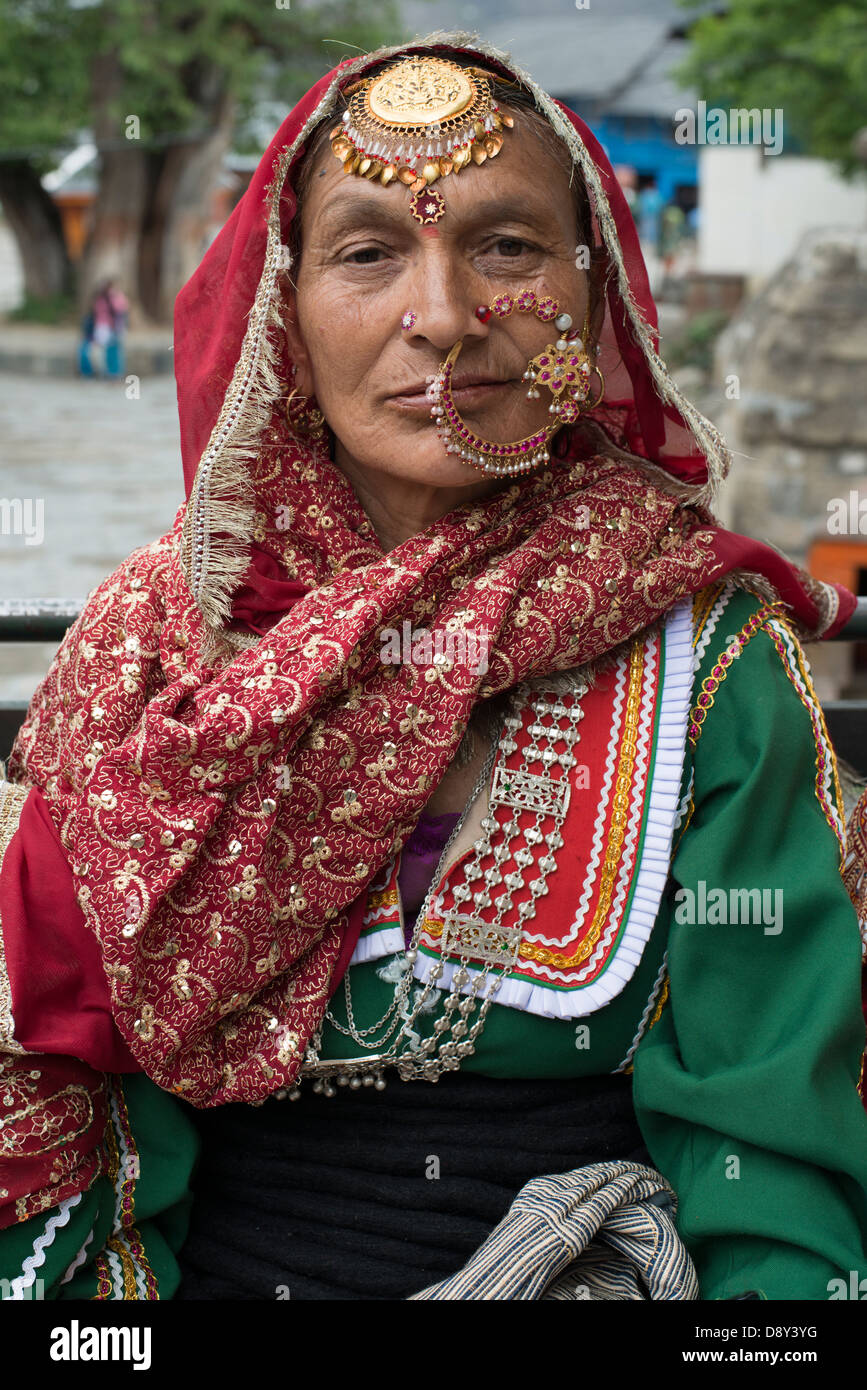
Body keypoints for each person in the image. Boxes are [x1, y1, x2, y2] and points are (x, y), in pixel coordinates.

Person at [1, 35, 866, 1302]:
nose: (447, 317)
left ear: (594, 289)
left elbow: (771, 1174)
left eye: (509, 246)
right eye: (366, 252)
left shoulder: (710, 662)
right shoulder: (158, 664)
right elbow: (83, 1139)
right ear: (282, 308)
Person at [78, 278, 129, 379]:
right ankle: (98, 372)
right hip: (100, 328)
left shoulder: (117, 298)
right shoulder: (99, 299)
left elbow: (122, 311)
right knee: (96, 351)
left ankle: (114, 373)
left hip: (113, 328)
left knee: (113, 351)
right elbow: (94, 313)